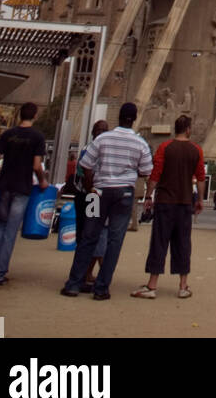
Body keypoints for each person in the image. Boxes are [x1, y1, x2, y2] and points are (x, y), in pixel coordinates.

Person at [60, 101, 152, 300]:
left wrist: (90, 185)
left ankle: (73, 284)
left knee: (87, 236)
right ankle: (101, 288)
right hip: (124, 195)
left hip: (97, 193)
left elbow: (85, 165)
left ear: (118, 117)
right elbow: (146, 171)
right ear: (134, 119)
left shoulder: (103, 139)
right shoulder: (140, 143)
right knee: (114, 241)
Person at [0, 101, 48, 285]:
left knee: (1, 225)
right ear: (35, 116)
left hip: (5, 185)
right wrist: (43, 180)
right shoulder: (37, 137)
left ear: (19, 115)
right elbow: (37, 165)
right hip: (22, 187)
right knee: (11, 231)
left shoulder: (8, 134)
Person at [132, 113, 204, 299]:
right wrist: (200, 200)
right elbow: (201, 178)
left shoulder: (165, 147)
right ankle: (183, 285)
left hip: (165, 201)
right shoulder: (196, 150)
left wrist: (149, 195)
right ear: (188, 129)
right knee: (183, 243)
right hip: (184, 202)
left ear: (175, 129)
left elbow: (155, 174)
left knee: (159, 242)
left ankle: (152, 284)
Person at [72, 119, 109, 293]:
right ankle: (88, 275)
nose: (101, 133)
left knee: (94, 234)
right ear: (93, 132)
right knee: (91, 234)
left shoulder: (101, 149)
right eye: (99, 130)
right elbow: (84, 175)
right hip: (90, 197)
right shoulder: (89, 149)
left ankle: (87, 274)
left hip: (94, 196)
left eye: (104, 130)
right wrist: (92, 192)